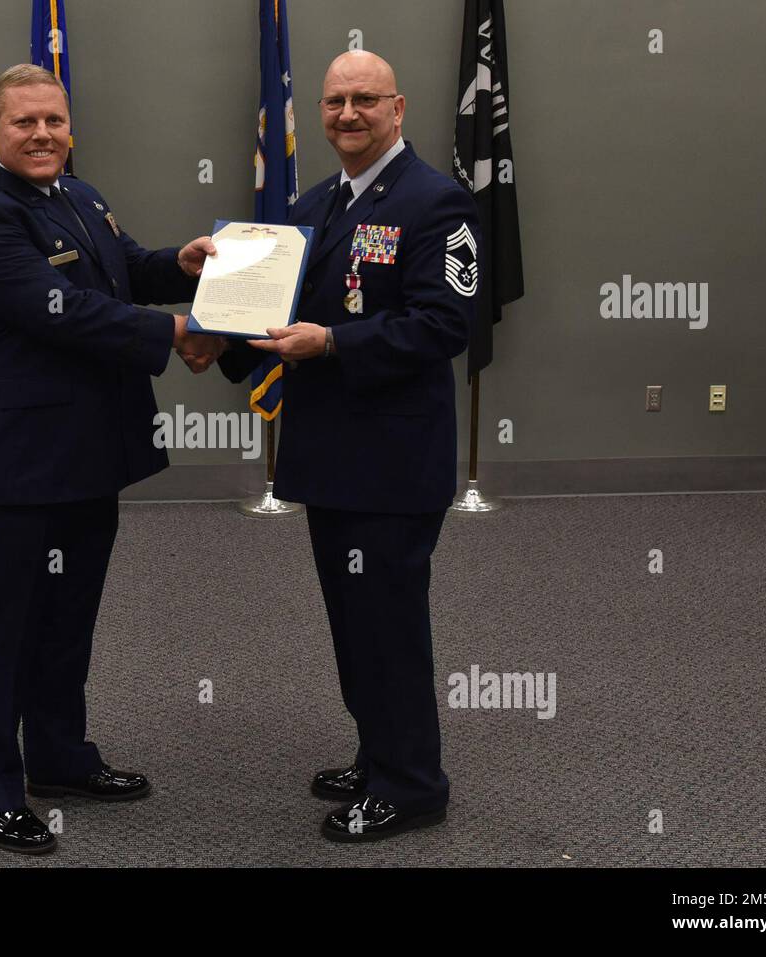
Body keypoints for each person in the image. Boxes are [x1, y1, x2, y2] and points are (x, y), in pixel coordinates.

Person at [0, 64, 220, 855]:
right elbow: (57, 309)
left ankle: (61, 757)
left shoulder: (80, 195)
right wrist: (174, 333)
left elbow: (124, 268)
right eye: (25, 122)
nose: (42, 135)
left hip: (88, 457)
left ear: (70, 128)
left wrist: (187, 264)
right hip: (17, 466)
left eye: (54, 122)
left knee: (67, 620)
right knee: (0, 632)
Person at [220, 50, 478, 843]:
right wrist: (210, 330)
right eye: (335, 102)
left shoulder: (439, 202)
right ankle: (378, 751)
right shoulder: (317, 201)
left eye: (365, 100)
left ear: (398, 108)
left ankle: (412, 784)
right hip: (333, 460)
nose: (347, 115)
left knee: (389, 623)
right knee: (352, 618)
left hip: (394, 465)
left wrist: (332, 343)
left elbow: (445, 324)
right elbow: (270, 305)